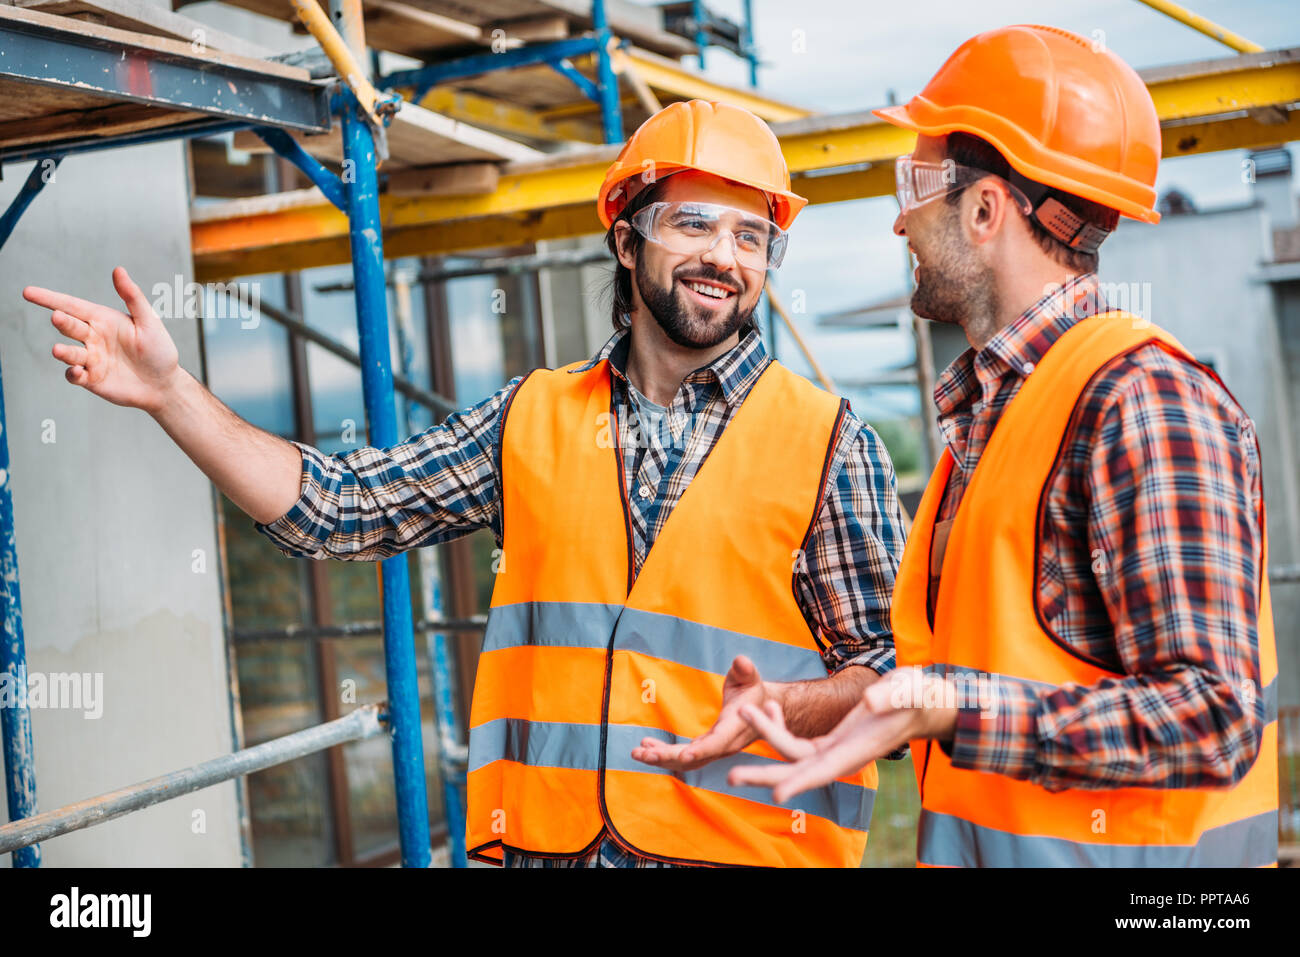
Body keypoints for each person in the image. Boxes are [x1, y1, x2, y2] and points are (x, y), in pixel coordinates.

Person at [23, 99, 907, 868]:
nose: (726, 254)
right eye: (696, 224)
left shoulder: (829, 443)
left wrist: (781, 705)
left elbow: (896, 673)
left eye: (752, 235)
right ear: (626, 235)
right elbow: (340, 509)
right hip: (549, 850)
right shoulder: (532, 417)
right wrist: (171, 392)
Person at [730, 25, 1278, 867]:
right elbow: (960, 678)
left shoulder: (1142, 400)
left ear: (985, 209)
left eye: (914, 185)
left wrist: (952, 706)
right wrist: (792, 705)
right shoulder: (995, 419)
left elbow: (1212, 719)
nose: (898, 221)